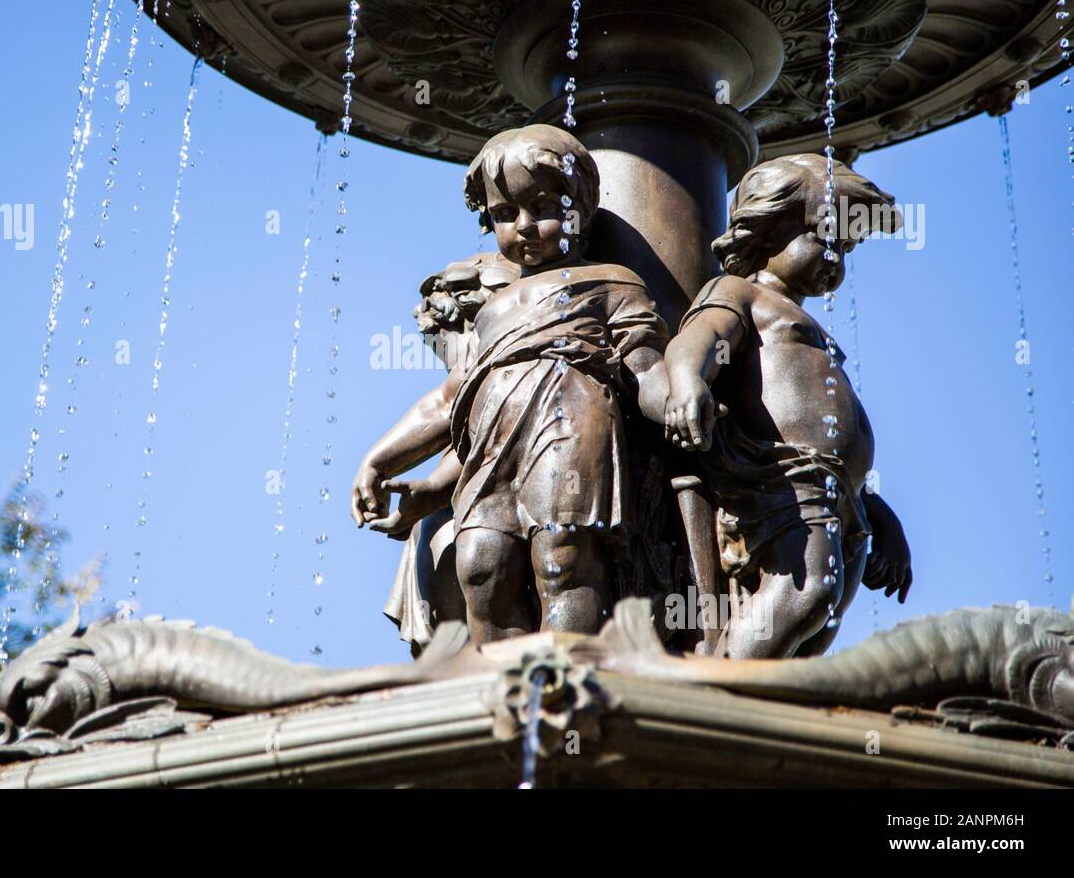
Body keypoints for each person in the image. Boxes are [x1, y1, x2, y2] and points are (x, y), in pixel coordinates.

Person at [351, 124, 669, 641]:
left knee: (561, 558)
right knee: (480, 565)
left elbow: (644, 365)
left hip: (569, 430)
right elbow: (451, 400)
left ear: (581, 207)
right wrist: (383, 460)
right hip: (493, 450)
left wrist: (679, 401)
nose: (523, 226)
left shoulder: (611, 281)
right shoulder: (492, 310)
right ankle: (508, 697)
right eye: (504, 215)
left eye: (543, 207)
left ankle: (567, 686)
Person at [664, 154, 912, 658]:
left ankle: (766, 707)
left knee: (820, 624)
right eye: (825, 240)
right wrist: (688, 378)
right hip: (783, 477)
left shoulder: (808, 325)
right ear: (767, 229)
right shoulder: (740, 293)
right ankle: (723, 693)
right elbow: (701, 337)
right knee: (806, 591)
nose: (835, 260)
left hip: (839, 494)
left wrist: (877, 510)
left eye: (846, 248)